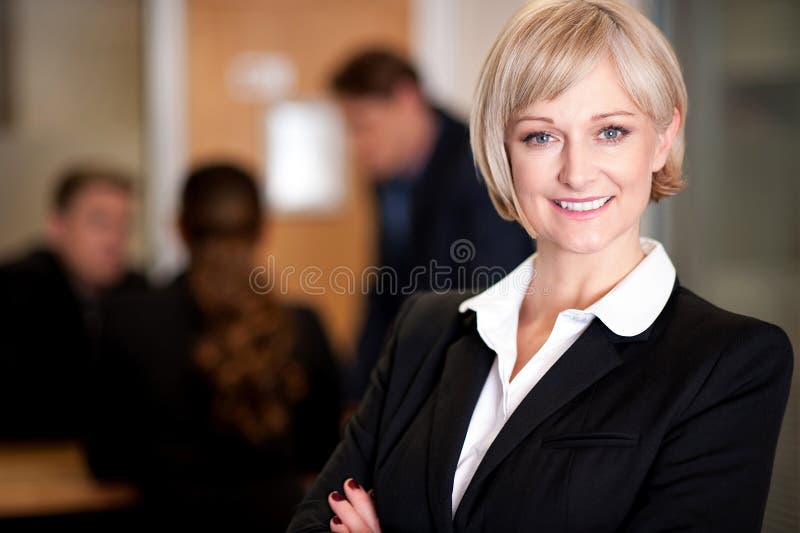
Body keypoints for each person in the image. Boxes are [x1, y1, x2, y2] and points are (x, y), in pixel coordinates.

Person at [287, 1, 794, 532]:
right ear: (503, 151)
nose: (577, 172)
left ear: (663, 137)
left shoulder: (728, 363)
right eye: (541, 136)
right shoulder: (425, 330)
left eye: (611, 131)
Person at [86, 164, 342, 529]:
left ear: (179, 228)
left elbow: (105, 460)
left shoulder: (128, 319)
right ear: (264, 230)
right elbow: (323, 452)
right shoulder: (303, 325)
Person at [330, 49, 534, 402]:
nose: (356, 146)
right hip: (412, 371)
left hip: (470, 377)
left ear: (407, 99)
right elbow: (386, 284)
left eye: (364, 127)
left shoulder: (477, 163)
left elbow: (495, 289)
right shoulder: (385, 177)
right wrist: (360, 389)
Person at [0, 164, 146, 439]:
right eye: (99, 222)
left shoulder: (140, 293)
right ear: (57, 226)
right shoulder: (14, 292)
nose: (115, 239)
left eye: (125, 225)